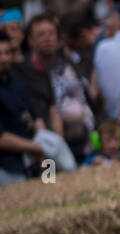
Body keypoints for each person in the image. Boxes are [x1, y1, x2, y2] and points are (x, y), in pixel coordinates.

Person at [0, 30, 75, 182]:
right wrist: (36, 148)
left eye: (8, 52)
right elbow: (1, 139)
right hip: (8, 166)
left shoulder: (15, 79)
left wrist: (42, 146)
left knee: (54, 183)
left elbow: (35, 117)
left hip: (34, 150)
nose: (4, 58)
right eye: (0, 54)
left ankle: (67, 182)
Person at [24, 11, 96, 160]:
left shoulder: (69, 64)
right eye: (41, 34)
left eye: (51, 33)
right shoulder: (26, 73)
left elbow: (88, 98)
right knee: (51, 180)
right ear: (31, 40)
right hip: (52, 146)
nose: (47, 38)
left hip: (89, 140)